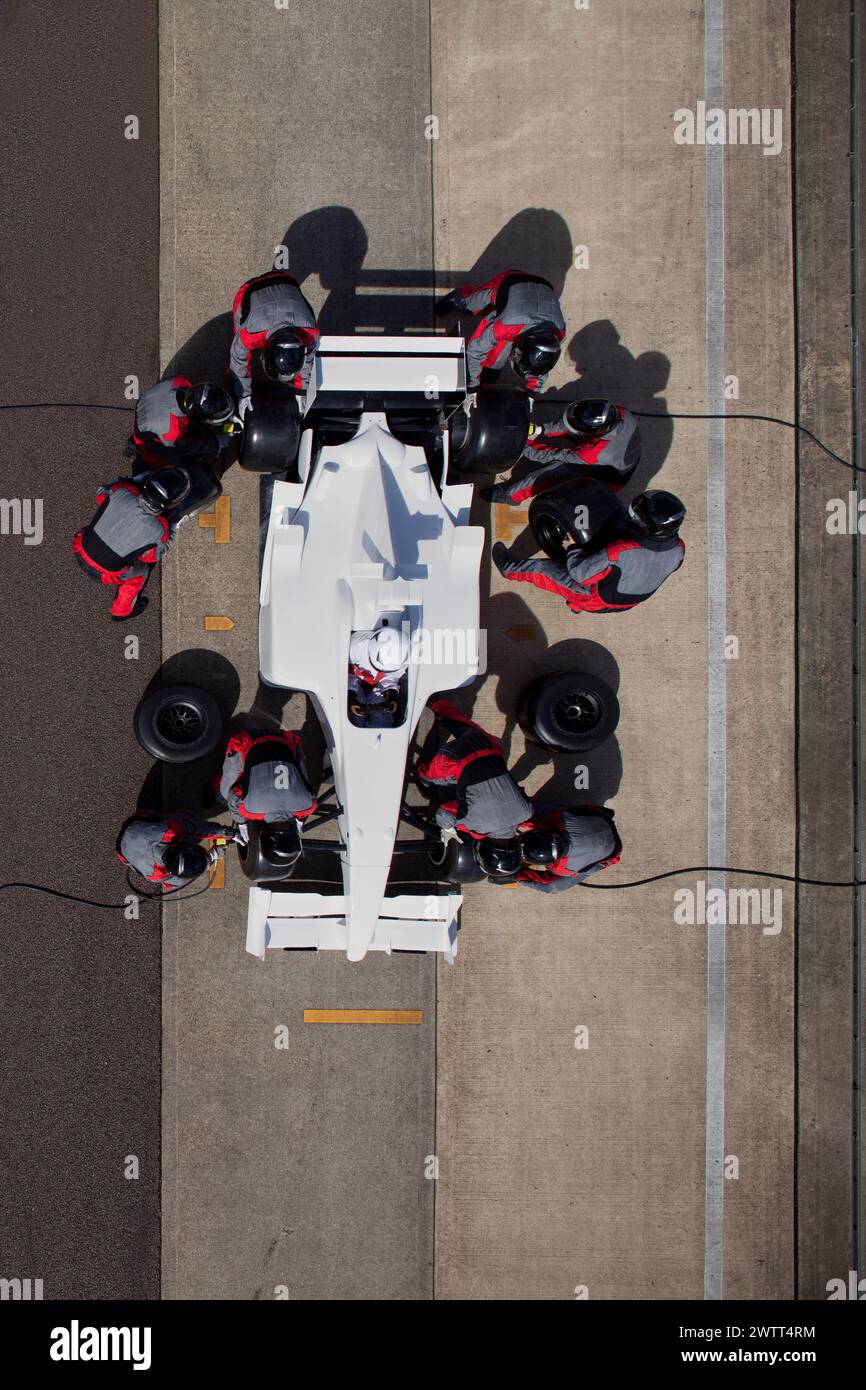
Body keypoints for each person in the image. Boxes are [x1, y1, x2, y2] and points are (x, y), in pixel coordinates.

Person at [492, 489, 686, 614]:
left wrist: (572, 547)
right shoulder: (679, 549)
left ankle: (508, 569)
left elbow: (580, 573)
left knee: (542, 569)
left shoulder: (620, 552)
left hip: (599, 599)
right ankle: (577, 604)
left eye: (639, 516)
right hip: (632, 599)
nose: (634, 514)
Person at [71, 468, 192, 621]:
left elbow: (100, 495)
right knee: (141, 572)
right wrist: (174, 526)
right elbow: (153, 557)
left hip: (79, 546)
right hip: (105, 574)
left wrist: (134, 481)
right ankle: (120, 612)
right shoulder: (160, 529)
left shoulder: (123, 490)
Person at [417, 698, 531, 840]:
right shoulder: (479, 827)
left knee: (462, 726)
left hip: (487, 745)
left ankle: (438, 703)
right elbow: (443, 813)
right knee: (425, 777)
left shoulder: (526, 812)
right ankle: (424, 770)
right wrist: (447, 828)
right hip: (454, 758)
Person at [436, 269, 565, 393]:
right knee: (470, 306)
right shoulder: (506, 325)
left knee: (492, 368)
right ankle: (457, 298)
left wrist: (532, 392)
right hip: (510, 282)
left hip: (542, 290)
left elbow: (543, 364)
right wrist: (472, 386)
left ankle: (488, 373)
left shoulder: (557, 335)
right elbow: (475, 350)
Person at [490, 399, 641, 502]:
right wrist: (541, 430)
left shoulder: (594, 454)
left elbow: (553, 455)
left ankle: (510, 497)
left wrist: (524, 447)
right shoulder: (618, 413)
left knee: (552, 471)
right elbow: (572, 423)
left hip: (606, 478)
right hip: (622, 456)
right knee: (575, 429)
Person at [229, 269, 319, 411]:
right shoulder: (251, 332)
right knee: (238, 342)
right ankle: (234, 384)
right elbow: (237, 359)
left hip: (287, 280)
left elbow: (308, 360)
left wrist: (301, 391)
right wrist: (243, 394)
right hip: (252, 289)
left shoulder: (311, 331)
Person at [214, 729, 317, 827]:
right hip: (247, 741)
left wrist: (300, 819)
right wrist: (240, 821)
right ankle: (215, 784)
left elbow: (306, 788)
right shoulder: (251, 810)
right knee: (225, 795)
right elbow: (233, 795)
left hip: (285, 739)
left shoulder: (308, 807)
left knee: (301, 775)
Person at [513, 805, 621, 892]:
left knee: (552, 887)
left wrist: (517, 876)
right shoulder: (560, 820)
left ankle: (515, 876)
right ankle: (515, 876)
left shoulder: (564, 869)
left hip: (607, 836)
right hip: (603, 824)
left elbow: (549, 880)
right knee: (533, 811)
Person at [132, 378, 237, 468]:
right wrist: (216, 442)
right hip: (146, 440)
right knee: (181, 463)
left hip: (148, 407)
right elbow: (182, 450)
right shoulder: (172, 432)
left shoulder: (180, 382)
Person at [117, 810, 232, 889]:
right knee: (179, 882)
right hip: (127, 839)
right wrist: (212, 855)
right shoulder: (155, 875)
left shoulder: (170, 831)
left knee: (188, 821)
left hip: (133, 828)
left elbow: (198, 828)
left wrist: (223, 832)